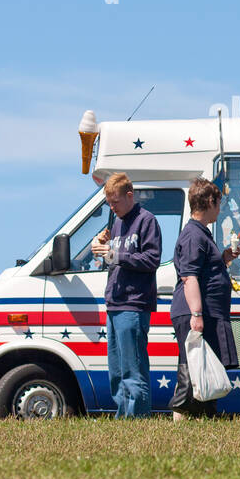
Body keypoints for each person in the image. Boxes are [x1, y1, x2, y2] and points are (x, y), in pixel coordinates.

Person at [169, 178, 240, 419]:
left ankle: (205, 418)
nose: (219, 209)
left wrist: (223, 259)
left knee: (207, 367)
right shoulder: (193, 235)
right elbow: (189, 277)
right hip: (197, 312)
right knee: (192, 369)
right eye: (218, 203)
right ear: (210, 201)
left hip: (207, 311)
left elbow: (203, 271)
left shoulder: (202, 234)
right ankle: (181, 417)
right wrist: (197, 314)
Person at [92, 172, 162, 418]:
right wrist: (101, 248)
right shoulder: (118, 222)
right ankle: (123, 419)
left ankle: (138, 420)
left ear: (129, 196)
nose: (112, 207)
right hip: (115, 303)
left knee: (133, 370)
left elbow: (152, 259)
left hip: (134, 303)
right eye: (109, 202)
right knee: (117, 371)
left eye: (115, 202)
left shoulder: (147, 221)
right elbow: (116, 259)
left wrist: (113, 255)